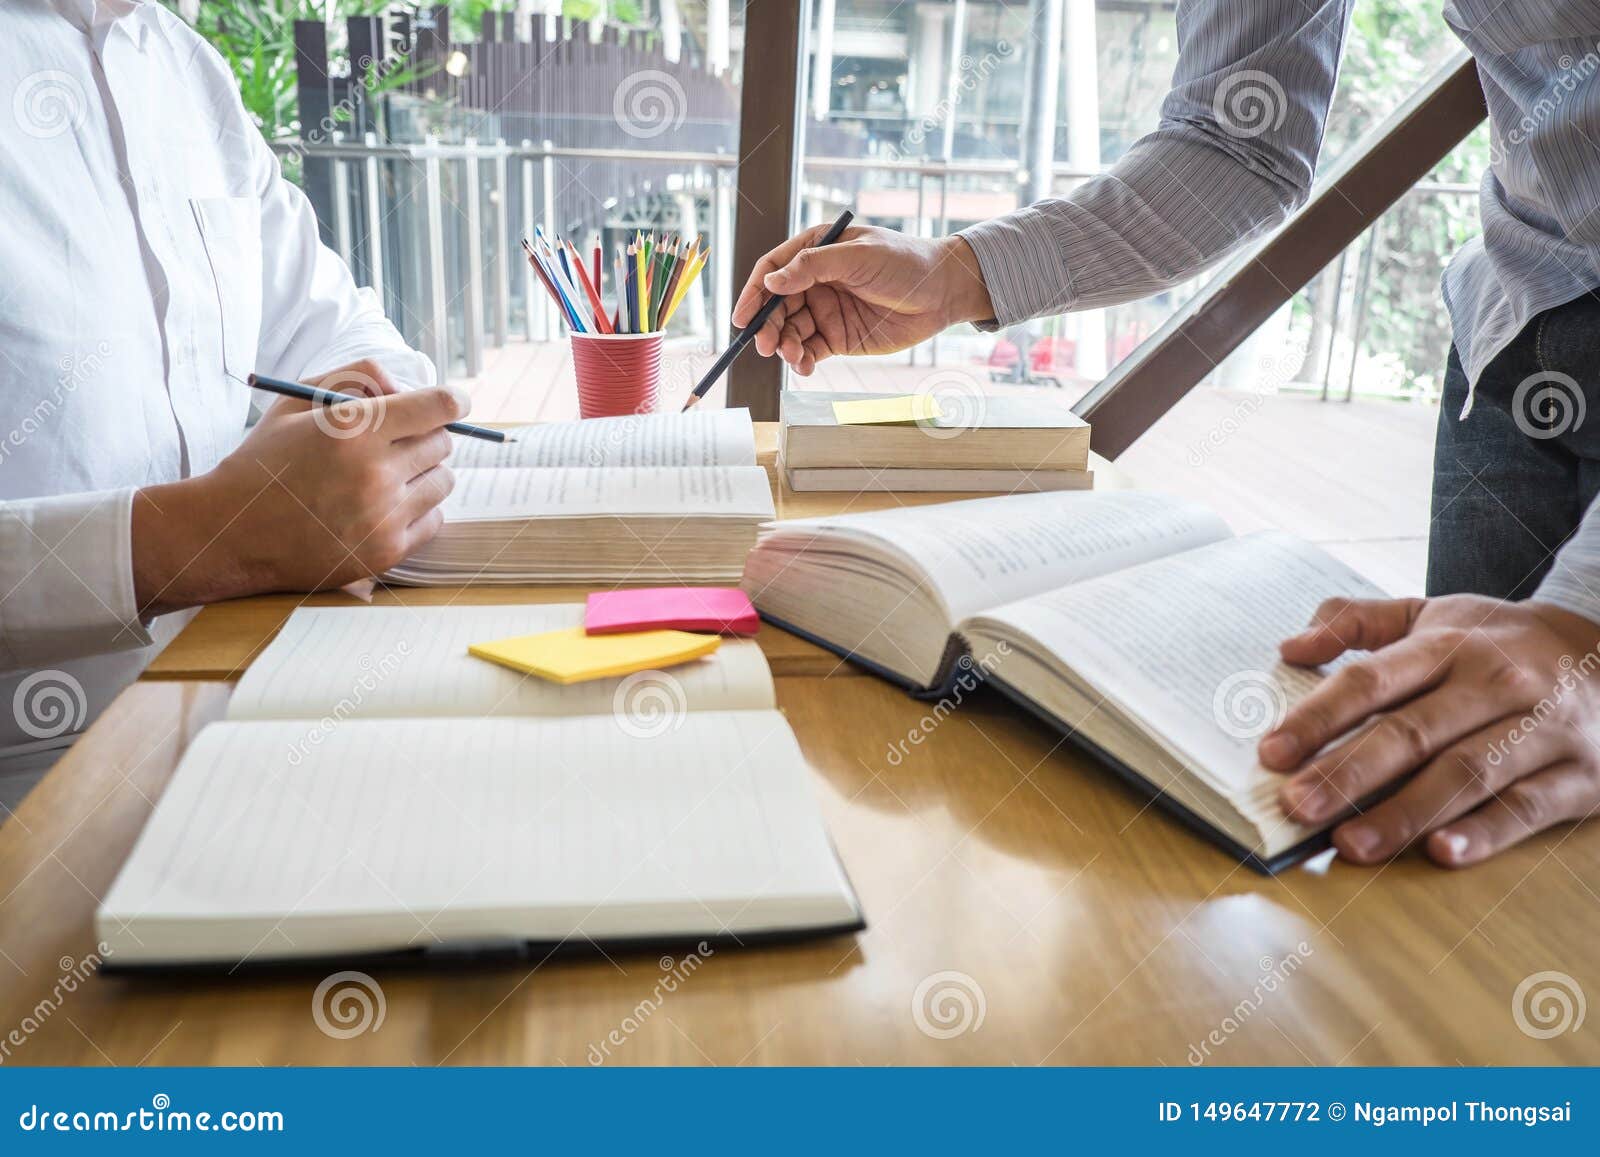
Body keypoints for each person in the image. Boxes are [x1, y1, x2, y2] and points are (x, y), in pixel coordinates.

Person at [734, 1, 1600, 868]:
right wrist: (956, 275)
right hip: (1514, 324)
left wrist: (1584, 623)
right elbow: (1238, 141)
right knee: (1461, 820)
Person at [0, 0, 464, 814]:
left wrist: (356, 429)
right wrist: (208, 539)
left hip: (251, 708)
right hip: (36, 795)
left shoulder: (186, 68)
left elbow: (335, 321)